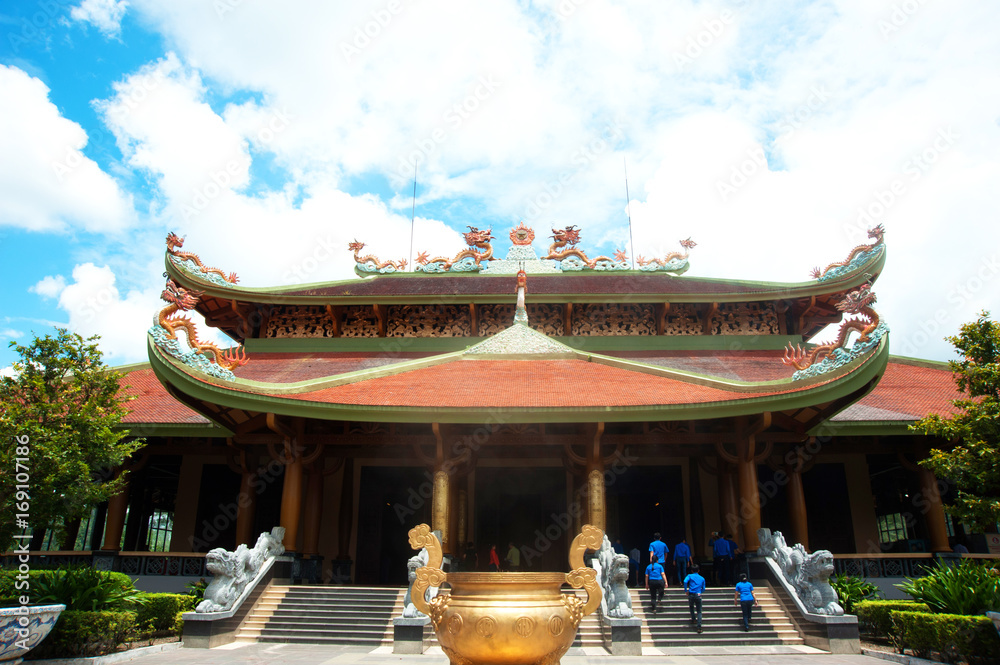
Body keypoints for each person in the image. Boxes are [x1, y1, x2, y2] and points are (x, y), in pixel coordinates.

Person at [683, 563, 706, 633]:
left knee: (691, 607)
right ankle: (699, 627)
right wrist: (700, 591)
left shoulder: (689, 576)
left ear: (692, 570)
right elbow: (703, 588)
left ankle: (693, 619)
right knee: (699, 611)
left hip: (691, 594)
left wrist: (686, 590)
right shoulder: (702, 578)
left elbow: (685, 581)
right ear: (698, 570)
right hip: (698, 594)